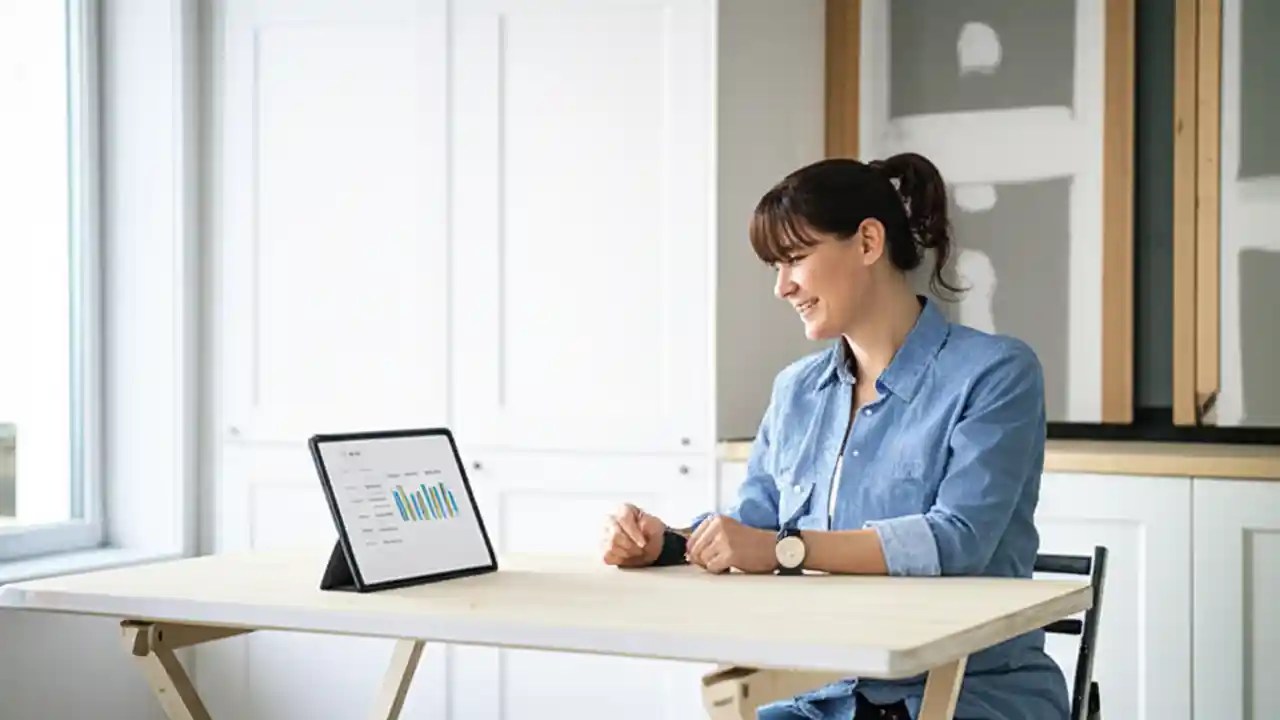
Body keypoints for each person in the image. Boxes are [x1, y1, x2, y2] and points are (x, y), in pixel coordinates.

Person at [599, 154, 1068, 720]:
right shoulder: (796, 391)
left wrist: (780, 551)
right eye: (775, 265)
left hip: (968, 694)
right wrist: (666, 543)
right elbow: (754, 523)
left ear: (868, 242)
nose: (782, 286)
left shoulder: (995, 373)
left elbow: (960, 538)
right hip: (824, 698)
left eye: (795, 258)